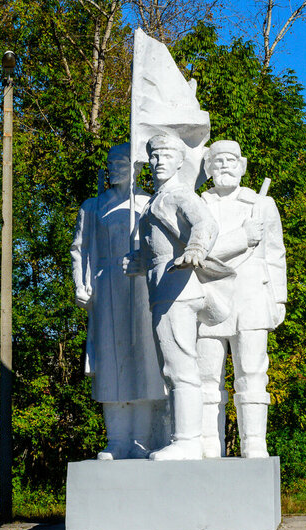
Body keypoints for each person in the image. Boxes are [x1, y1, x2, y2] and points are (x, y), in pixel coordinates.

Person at [125, 133, 221, 461]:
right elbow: (158, 247)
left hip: (177, 290)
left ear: (180, 161)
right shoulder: (156, 200)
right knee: (172, 367)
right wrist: (140, 262)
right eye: (154, 156)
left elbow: (205, 223)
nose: (159, 161)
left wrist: (196, 248)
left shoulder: (178, 194)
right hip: (161, 291)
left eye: (167, 155)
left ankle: (188, 440)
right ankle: (181, 437)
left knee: (180, 366)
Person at [70, 143, 167, 460]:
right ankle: (117, 439)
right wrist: (80, 283)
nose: (113, 168)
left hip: (140, 286)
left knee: (143, 362)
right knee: (111, 363)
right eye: (110, 163)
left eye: (121, 162)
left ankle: (140, 439)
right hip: (106, 286)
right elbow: (79, 248)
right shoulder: (93, 206)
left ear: (136, 167)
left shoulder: (149, 203)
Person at [195, 140, 287, 458]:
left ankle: (254, 441)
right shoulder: (198, 205)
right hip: (210, 296)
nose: (224, 165)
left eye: (231, 160)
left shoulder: (262, 204)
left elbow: (275, 254)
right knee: (206, 374)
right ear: (207, 168)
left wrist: (278, 300)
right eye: (217, 160)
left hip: (252, 296)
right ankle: (209, 442)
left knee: (252, 371)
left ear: (242, 165)